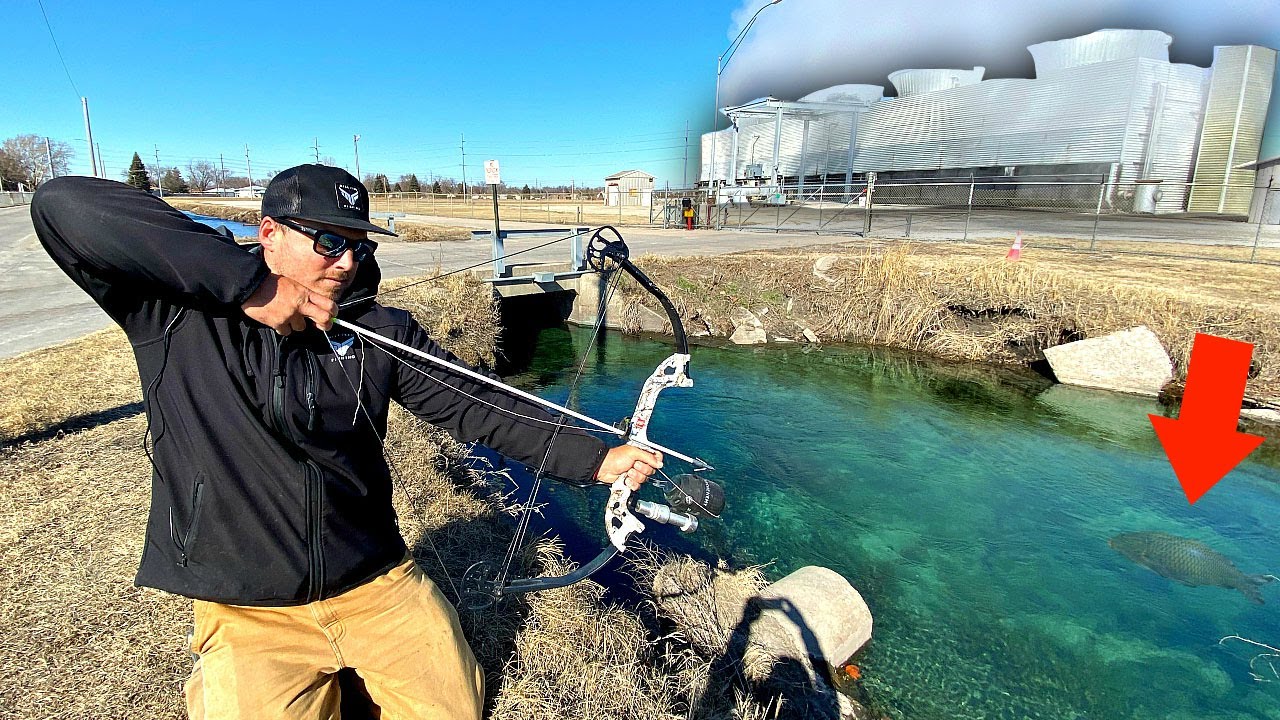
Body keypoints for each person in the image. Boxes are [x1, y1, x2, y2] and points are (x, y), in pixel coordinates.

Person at [31, 164, 661, 719]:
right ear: (269, 234)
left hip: (376, 582)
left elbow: (480, 406)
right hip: (248, 605)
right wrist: (249, 285)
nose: (347, 261)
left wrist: (600, 457)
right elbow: (62, 205)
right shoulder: (179, 314)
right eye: (329, 241)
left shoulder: (379, 331)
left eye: (358, 245)